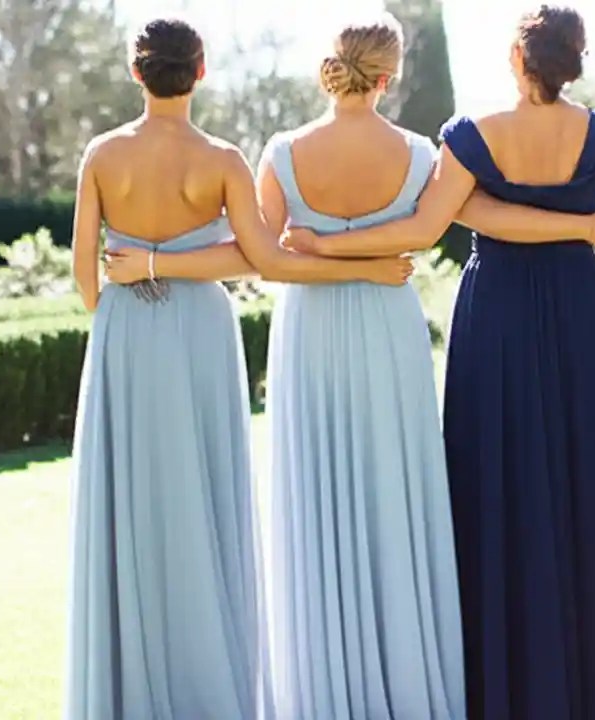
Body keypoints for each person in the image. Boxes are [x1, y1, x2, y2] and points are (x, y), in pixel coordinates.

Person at [283, 5, 595, 717]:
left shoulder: (472, 134)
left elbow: (429, 227)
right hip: (579, 313)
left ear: (519, 62)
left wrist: (322, 246)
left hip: (497, 317)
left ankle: (505, 683)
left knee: (497, 482)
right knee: (585, 485)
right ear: (572, 62)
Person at [257, 14, 595, 718]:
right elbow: (473, 222)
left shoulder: (283, 150)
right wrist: (583, 226)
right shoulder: (421, 153)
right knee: (399, 492)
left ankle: (320, 689)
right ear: (389, 76)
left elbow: (268, 256)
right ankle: (407, 679)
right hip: (390, 327)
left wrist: (323, 251)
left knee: (316, 493)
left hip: (309, 331)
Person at [65, 17, 411, 720]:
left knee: (131, 500)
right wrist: (374, 267)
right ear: (199, 73)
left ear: (138, 74)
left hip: (125, 332)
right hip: (200, 330)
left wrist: (135, 293)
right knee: (206, 494)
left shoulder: (102, 155)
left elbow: (84, 277)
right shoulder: (222, 158)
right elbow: (263, 260)